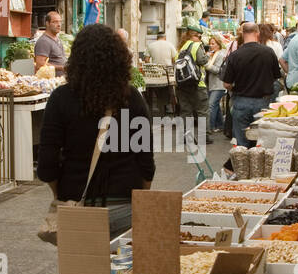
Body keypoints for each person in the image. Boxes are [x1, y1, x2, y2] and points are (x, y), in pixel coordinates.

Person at [37, 25, 156, 237]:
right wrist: (138, 198)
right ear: (119, 59)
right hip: (125, 207)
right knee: (124, 268)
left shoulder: (61, 99)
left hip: (78, 209)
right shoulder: (132, 98)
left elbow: (47, 162)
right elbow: (146, 161)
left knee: (82, 268)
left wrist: (62, 195)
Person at [222, 21, 282, 148]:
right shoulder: (268, 52)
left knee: (241, 143)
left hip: (241, 102)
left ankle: (242, 167)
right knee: (261, 142)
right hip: (263, 102)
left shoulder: (235, 55)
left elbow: (226, 84)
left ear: (243, 34)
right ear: (257, 34)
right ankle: (258, 166)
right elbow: (276, 77)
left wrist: (235, 87)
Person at [175, 22, 209, 134]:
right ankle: (204, 136)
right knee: (202, 111)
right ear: (194, 36)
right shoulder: (196, 46)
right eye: (199, 37)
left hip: (182, 84)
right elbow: (202, 60)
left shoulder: (180, 48)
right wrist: (208, 55)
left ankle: (186, 135)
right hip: (197, 84)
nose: (200, 39)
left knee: (186, 111)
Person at [204, 33, 229, 136]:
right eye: (210, 43)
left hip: (218, 84)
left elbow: (219, 70)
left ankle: (210, 127)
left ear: (218, 44)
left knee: (211, 105)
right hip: (212, 84)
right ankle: (220, 125)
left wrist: (207, 65)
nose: (211, 45)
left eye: (213, 43)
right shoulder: (213, 54)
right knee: (216, 106)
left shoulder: (221, 54)